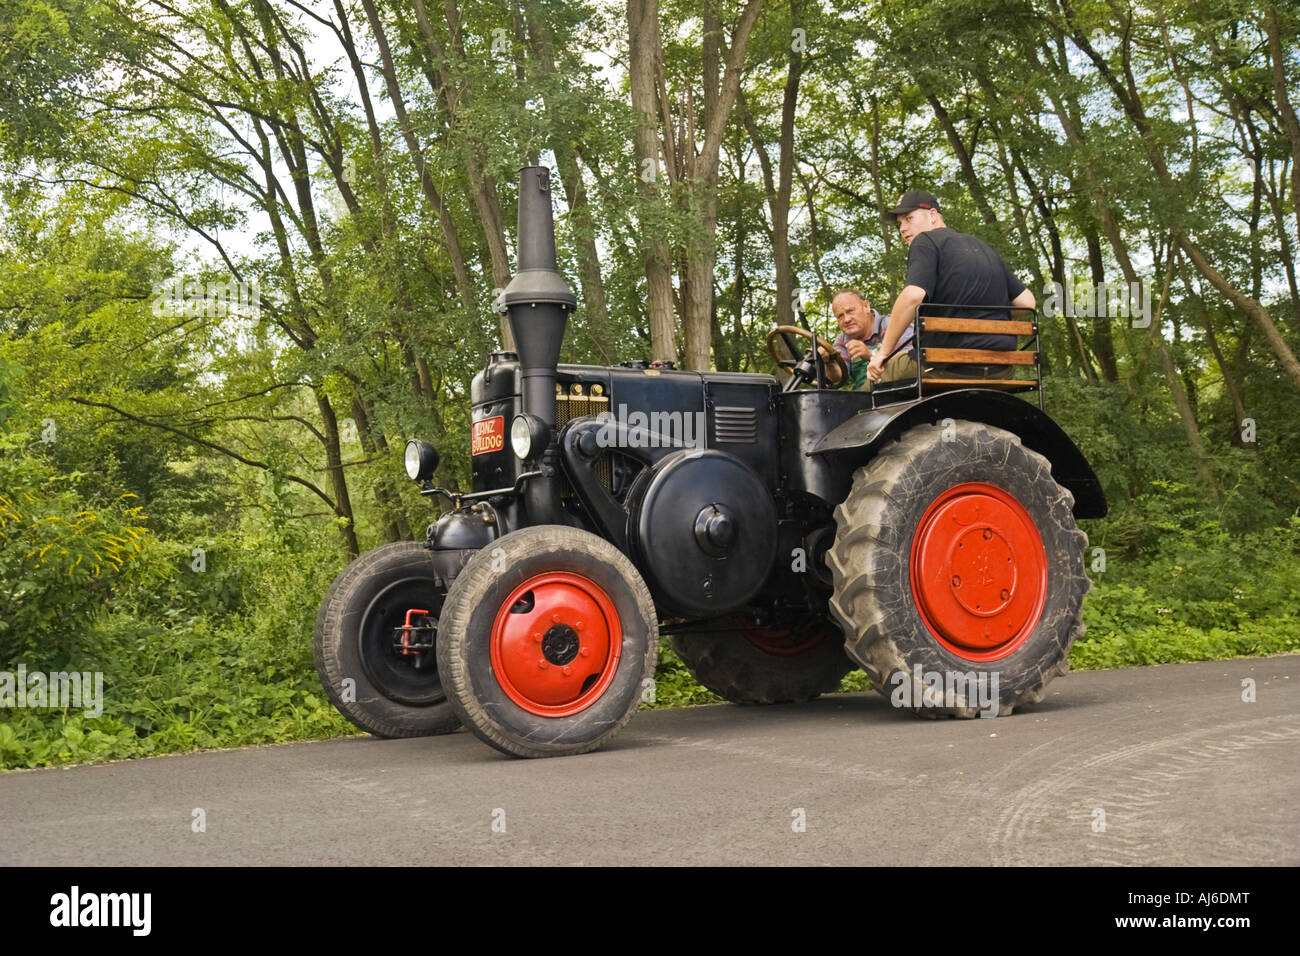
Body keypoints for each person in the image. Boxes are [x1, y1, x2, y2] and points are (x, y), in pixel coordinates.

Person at [867, 190, 1035, 385]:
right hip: (1000, 369)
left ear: (932, 215)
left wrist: (883, 353)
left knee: (869, 385)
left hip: (946, 366)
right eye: (899, 224)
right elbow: (1027, 302)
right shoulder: (981, 246)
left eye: (909, 218)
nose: (902, 228)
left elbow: (912, 297)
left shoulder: (926, 241)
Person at [819, 288, 916, 390]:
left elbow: (912, 361)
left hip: (904, 392)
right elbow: (838, 377)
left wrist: (870, 354)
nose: (846, 319)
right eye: (840, 316)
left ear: (866, 306)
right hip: (866, 399)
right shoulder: (843, 340)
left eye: (850, 311)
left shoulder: (893, 324)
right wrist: (829, 361)